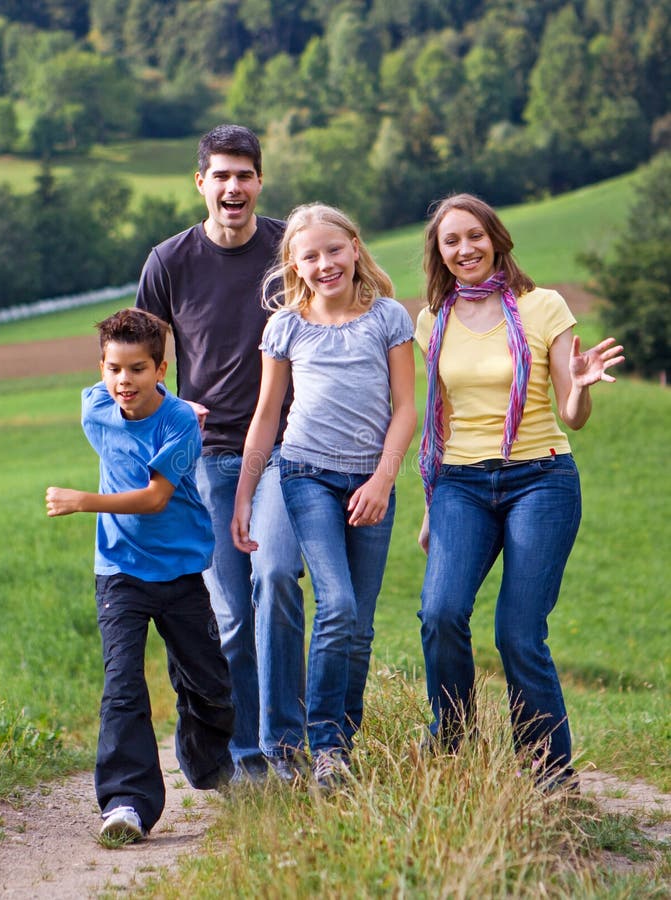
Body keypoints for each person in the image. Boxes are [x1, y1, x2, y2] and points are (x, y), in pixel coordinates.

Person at [415, 193, 624, 788]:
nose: (464, 249)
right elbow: (439, 422)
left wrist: (580, 386)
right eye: (450, 241)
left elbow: (571, 413)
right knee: (441, 612)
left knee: (516, 631)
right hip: (460, 483)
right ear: (439, 252)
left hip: (541, 476)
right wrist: (434, 506)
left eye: (474, 236)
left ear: (496, 238)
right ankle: (453, 747)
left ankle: (547, 772)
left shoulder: (543, 307)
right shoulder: (432, 320)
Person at [135, 125, 305, 781]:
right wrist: (167, 414)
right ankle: (244, 753)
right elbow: (139, 360)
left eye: (245, 174)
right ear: (200, 182)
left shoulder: (289, 248)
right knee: (230, 618)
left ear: (260, 181)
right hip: (205, 460)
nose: (233, 187)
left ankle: (289, 747)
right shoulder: (169, 261)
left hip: (286, 454)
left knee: (277, 582)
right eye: (221, 175)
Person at [231, 203, 416, 789]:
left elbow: (406, 407)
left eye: (334, 250)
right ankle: (325, 747)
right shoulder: (286, 326)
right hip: (305, 474)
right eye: (309, 255)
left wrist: (383, 479)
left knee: (357, 625)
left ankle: (342, 746)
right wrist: (243, 497)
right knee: (335, 604)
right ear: (294, 264)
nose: (325, 263)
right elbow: (266, 417)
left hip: (370, 480)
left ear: (355, 248)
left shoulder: (388, 317)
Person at [45, 308, 234, 842]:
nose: (123, 381)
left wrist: (86, 501)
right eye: (113, 369)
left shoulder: (178, 425)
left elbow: (154, 498)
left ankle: (209, 766)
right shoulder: (94, 405)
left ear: (161, 369)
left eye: (137, 369)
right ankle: (126, 802)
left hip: (179, 574)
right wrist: (121, 372)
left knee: (210, 685)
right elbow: (108, 385)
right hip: (120, 573)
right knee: (122, 684)